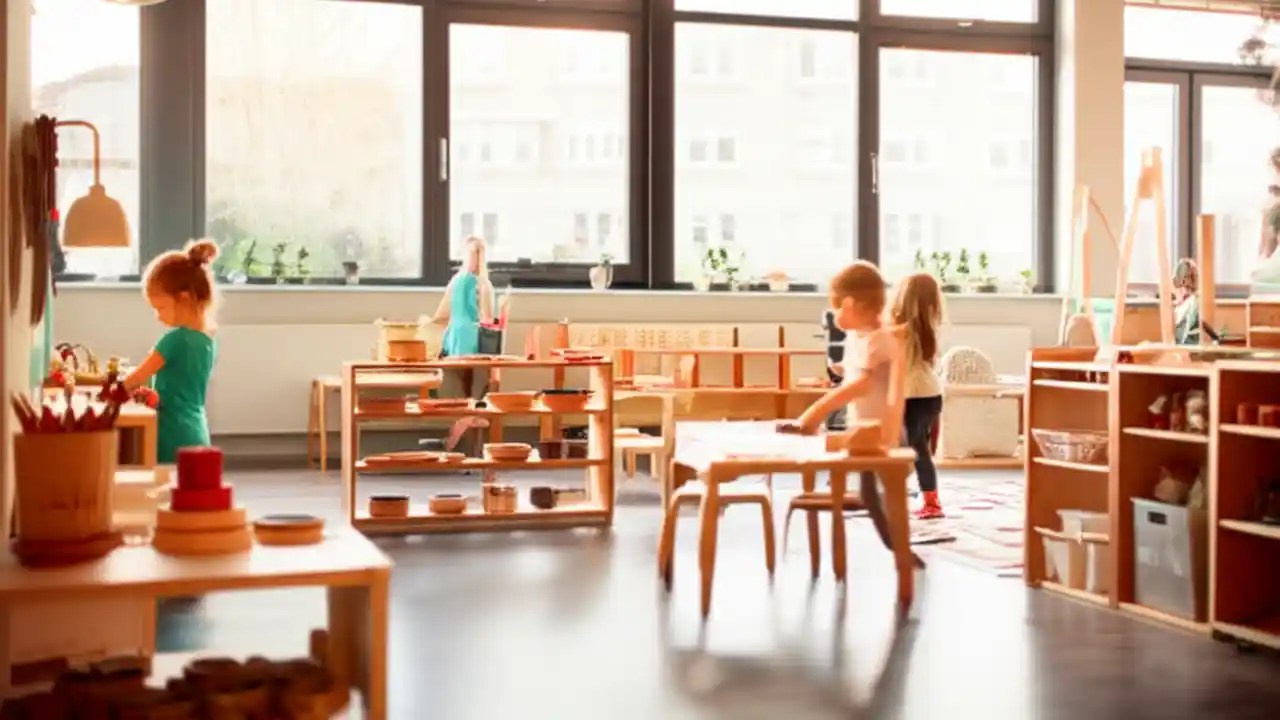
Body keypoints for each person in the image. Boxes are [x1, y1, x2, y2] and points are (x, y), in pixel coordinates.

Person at [780, 261, 924, 568]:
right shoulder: (862, 338)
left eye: (836, 309)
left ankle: (903, 553)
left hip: (882, 436)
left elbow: (861, 385)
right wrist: (843, 370)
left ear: (850, 305)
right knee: (873, 497)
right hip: (867, 434)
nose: (833, 315)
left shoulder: (877, 340)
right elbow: (862, 376)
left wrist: (812, 416)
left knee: (885, 497)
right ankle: (902, 552)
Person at [122, 239, 219, 463]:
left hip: (172, 432)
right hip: (196, 431)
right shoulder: (207, 341)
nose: (158, 316)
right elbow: (182, 390)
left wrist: (110, 391)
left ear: (184, 298)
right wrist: (153, 396)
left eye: (161, 307)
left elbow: (137, 377)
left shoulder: (174, 340)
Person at [432, 236, 495, 450]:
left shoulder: (456, 281)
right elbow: (488, 319)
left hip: (454, 341)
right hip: (473, 341)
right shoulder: (482, 285)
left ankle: (461, 424)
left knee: (456, 390)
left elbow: (441, 314)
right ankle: (467, 421)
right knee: (478, 388)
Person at [892, 273, 945, 519]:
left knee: (913, 448)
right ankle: (927, 498)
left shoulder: (901, 330)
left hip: (912, 396)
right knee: (918, 447)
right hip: (931, 394)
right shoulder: (931, 326)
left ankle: (931, 503)